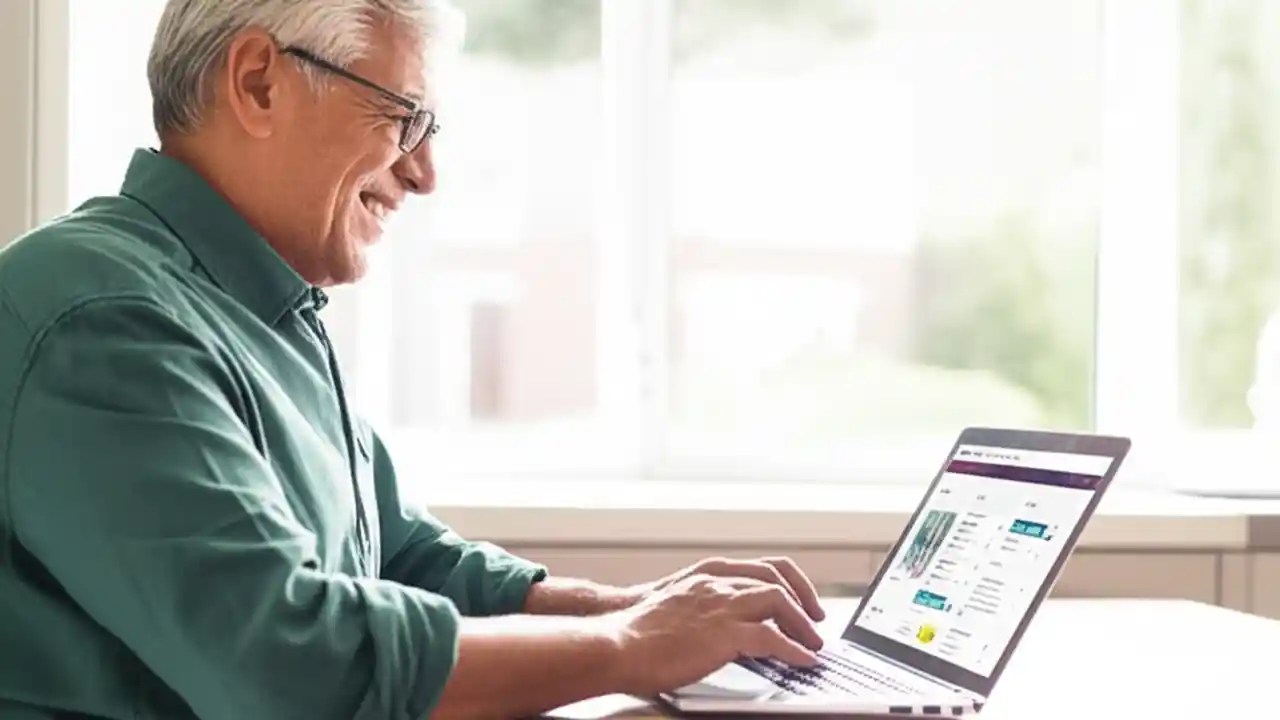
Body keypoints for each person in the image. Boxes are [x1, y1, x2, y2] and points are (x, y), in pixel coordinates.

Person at [0, 1, 826, 718]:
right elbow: (294, 666)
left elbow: (398, 556)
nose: (424, 172)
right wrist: (625, 643)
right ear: (258, 82)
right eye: (405, 117)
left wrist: (639, 606)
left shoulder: (253, 305)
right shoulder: (105, 319)